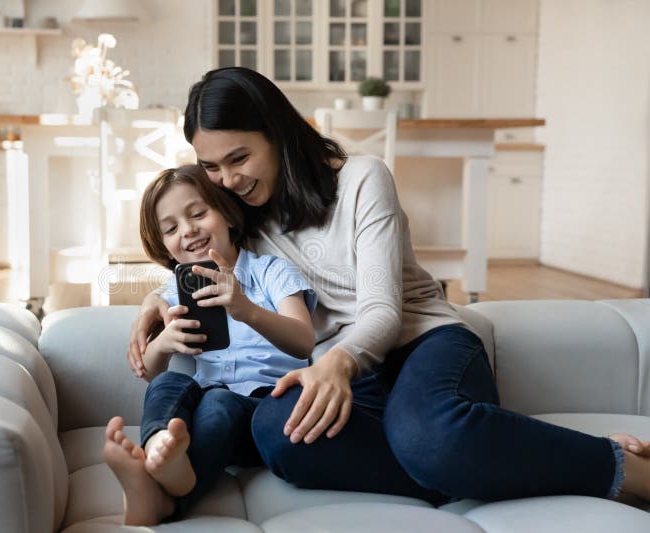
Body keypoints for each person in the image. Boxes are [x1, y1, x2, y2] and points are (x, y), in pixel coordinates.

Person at [127, 67, 650, 505]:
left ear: (277, 132)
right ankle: (474, 463)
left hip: (421, 341)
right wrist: (156, 297)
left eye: (239, 158)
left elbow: (382, 312)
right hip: (349, 379)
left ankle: (613, 466)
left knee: (429, 434)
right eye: (212, 167)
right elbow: (193, 242)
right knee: (275, 432)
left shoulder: (362, 179)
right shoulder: (242, 215)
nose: (228, 181)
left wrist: (336, 362)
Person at [104, 164, 317, 525]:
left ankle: (170, 493)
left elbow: (303, 340)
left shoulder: (271, 273)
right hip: (206, 412)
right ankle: (158, 447)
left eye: (198, 213)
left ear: (228, 214)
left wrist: (246, 309)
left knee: (218, 400)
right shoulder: (175, 292)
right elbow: (149, 372)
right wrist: (164, 344)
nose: (188, 231)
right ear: (165, 245)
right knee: (170, 383)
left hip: (265, 410)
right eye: (171, 228)